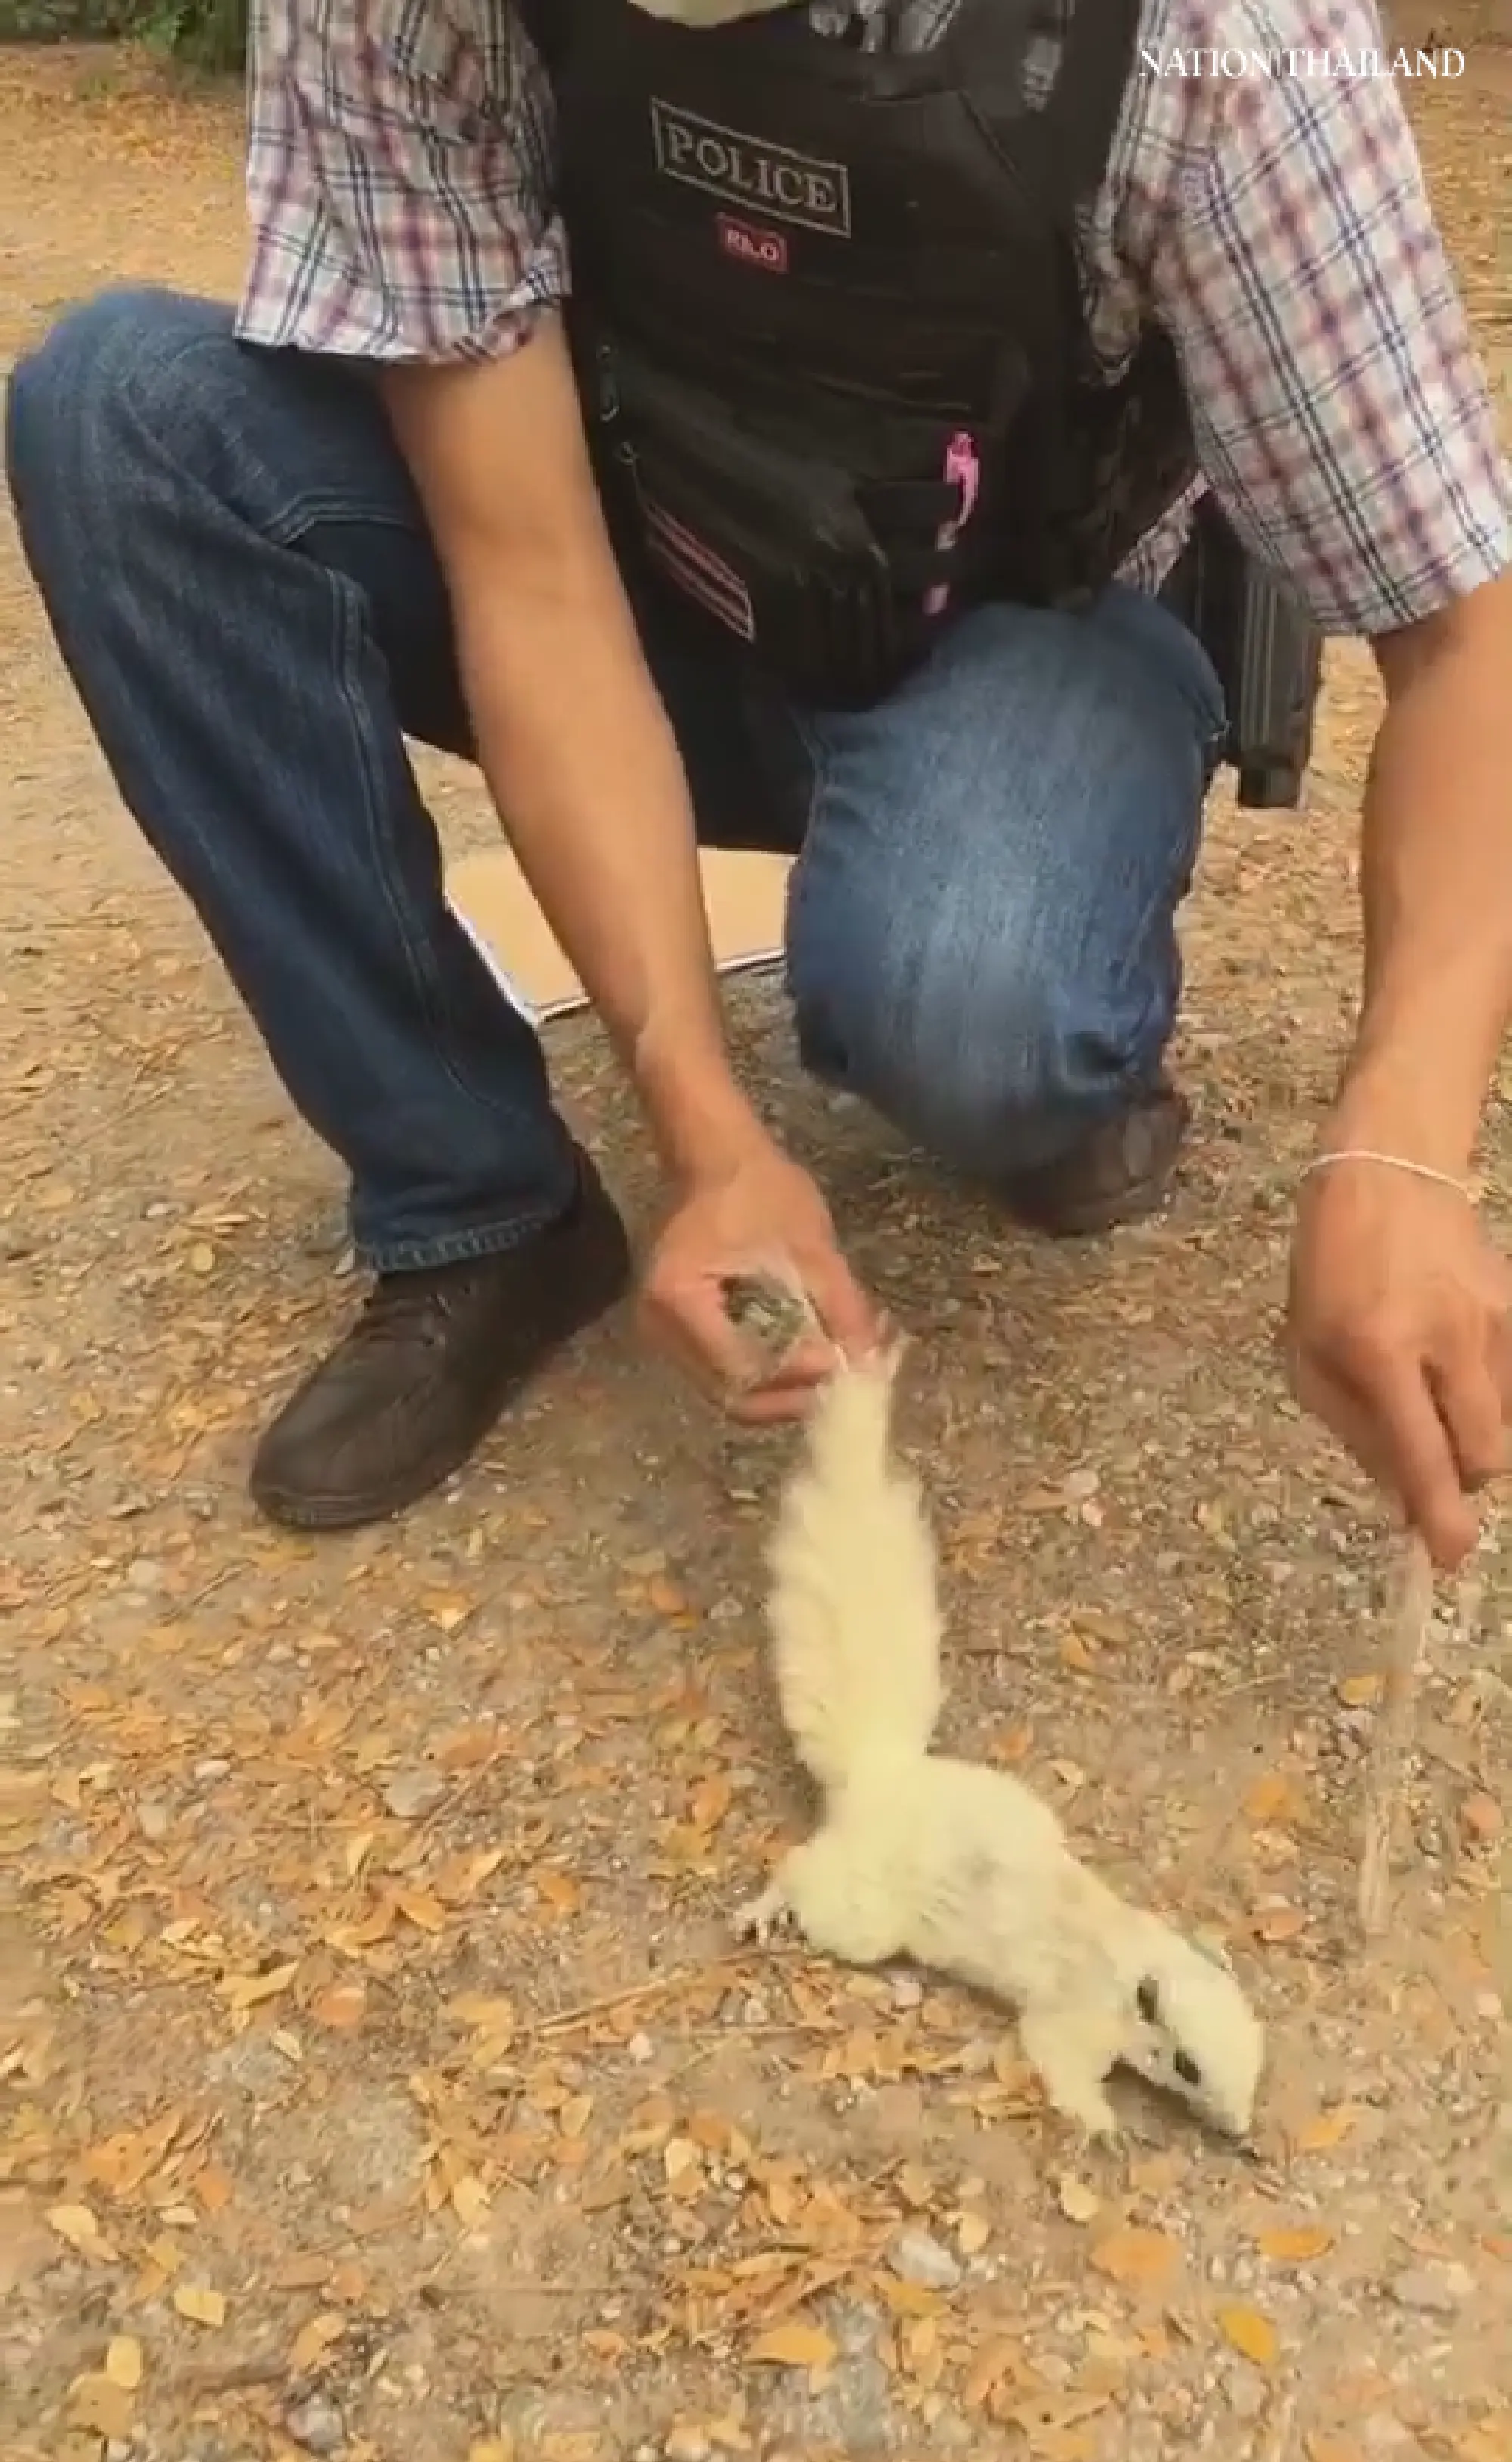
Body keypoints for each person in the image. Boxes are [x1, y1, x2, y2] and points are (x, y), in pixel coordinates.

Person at [5, 0, 1510, 1569]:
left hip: (1008, 627)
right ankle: (484, 1202)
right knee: (125, 419)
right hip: (641, 547)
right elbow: (530, 577)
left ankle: (1053, 1017)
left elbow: (1466, 632)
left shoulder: (1217, 42)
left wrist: (1401, 1139)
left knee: (972, 997)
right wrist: (706, 1135)